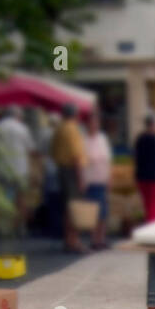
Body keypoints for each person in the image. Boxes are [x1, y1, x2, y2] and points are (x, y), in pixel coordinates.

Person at [50, 102, 87, 252]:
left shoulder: (59, 129)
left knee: (67, 206)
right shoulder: (72, 129)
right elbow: (76, 155)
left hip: (61, 169)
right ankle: (74, 240)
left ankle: (68, 239)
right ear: (75, 115)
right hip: (72, 170)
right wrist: (81, 178)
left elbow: (52, 151)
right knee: (74, 206)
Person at [0, 105, 35, 230]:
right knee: (21, 198)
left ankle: (5, 226)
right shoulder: (22, 128)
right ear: (17, 116)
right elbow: (31, 149)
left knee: (4, 198)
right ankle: (20, 226)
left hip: (2, 168)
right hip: (20, 169)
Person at [82, 112, 113, 250]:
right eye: (92, 123)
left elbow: (108, 160)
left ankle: (102, 238)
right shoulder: (84, 140)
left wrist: (109, 178)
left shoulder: (102, 138)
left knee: (103, 211)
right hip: (90, 180)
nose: (94, 125)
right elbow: (81, 162)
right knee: (93, 212)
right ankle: (94, 239)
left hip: (102, 178)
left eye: (96, 123)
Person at [134, 112, 155, 222]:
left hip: (142, 177)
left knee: (147, 205)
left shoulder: (139, 139)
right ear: (153, 125)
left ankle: (148, 225)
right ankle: (153, 228)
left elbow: (137, 158)